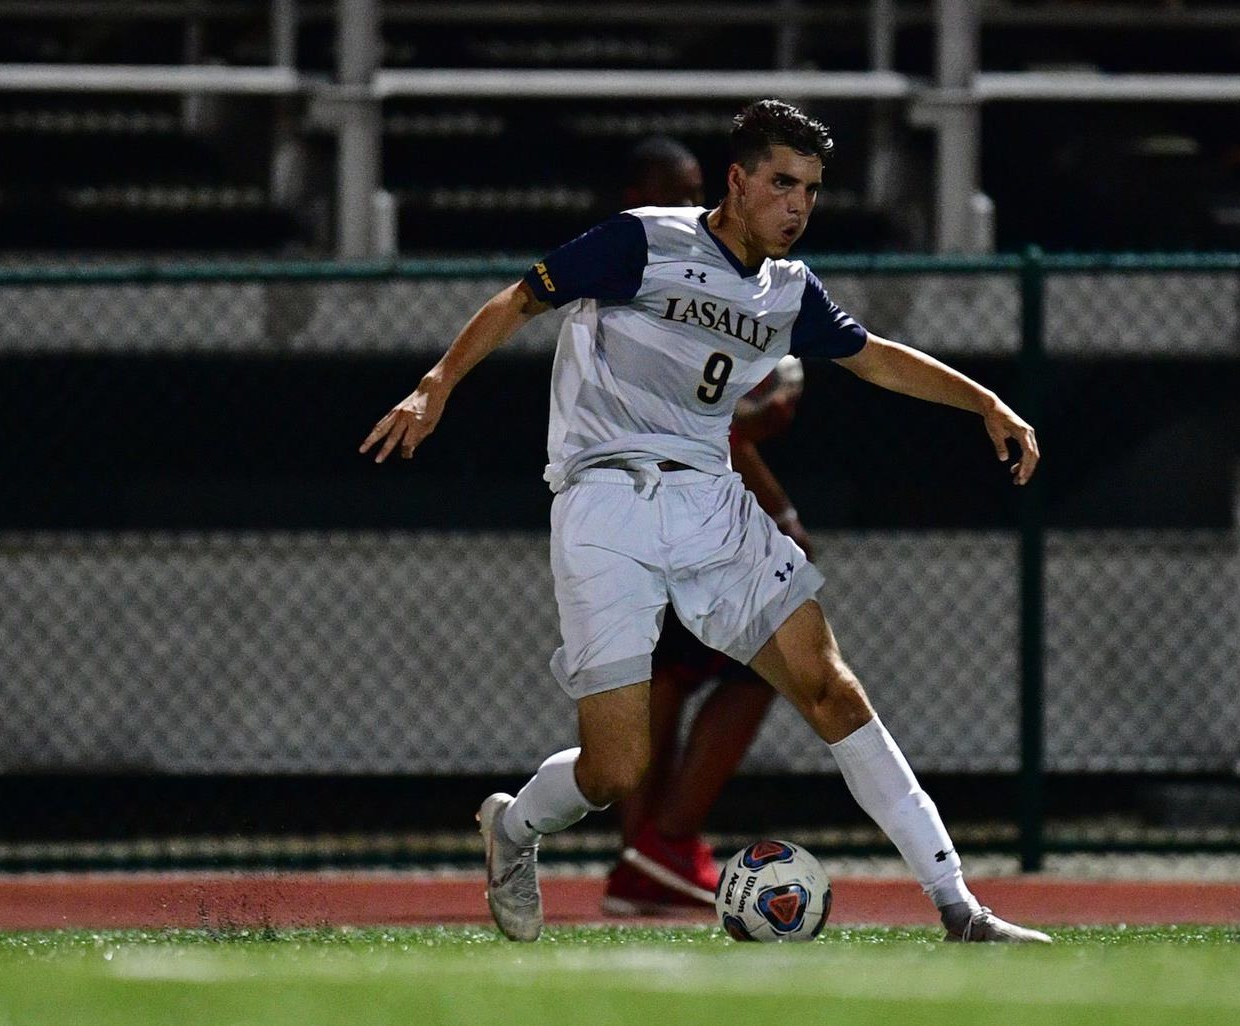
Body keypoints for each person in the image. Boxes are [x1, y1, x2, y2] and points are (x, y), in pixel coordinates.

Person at [362, 98, 1048, 943]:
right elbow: (521, 300)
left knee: (832, 687)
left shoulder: (790, 291)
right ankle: (514, 829)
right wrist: (437, 384)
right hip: (603, 500)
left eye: (812, 190)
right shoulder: (642, 241)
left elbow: (874, 357)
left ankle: (959, 906)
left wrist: (985, 402)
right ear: (738, 180)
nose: (799, 206)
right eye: (783, 184)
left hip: (712, 505)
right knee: (617, 770)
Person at [599, 135, 810, 915]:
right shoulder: (640, 279)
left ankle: (644, 861)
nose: (696, 205)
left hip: (655, 511)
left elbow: (707, 426)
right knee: (759, 662)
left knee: (660, 680)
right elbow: (688, 426)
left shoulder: (662, 273)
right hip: (652, 512)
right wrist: (768, 470)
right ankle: (663, 845)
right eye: (678, 189)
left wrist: (773, 499)